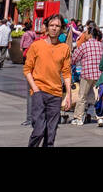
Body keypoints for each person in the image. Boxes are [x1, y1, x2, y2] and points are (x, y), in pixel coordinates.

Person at [23, 14, 73, 147]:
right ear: (46, 27)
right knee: (39, 130)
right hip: (39, 91)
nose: (54, 28)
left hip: (55, 94)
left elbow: (66, 73)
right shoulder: (36, 46)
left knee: (51, 134)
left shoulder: (64, 49)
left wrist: (68, 94)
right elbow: (27, 70)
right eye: (52, 25)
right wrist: (36, 89)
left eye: (57, 26)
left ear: (62, 29)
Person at [70, 25, 103, 125]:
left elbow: (74, 59)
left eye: (86, 33)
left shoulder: (84, 46)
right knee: (98, 97)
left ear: (90, 35)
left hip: (87, 74)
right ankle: (100, 117)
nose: (84, 34)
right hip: (99, 75)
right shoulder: (101, 45)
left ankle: (79, 118)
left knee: (82, 96)